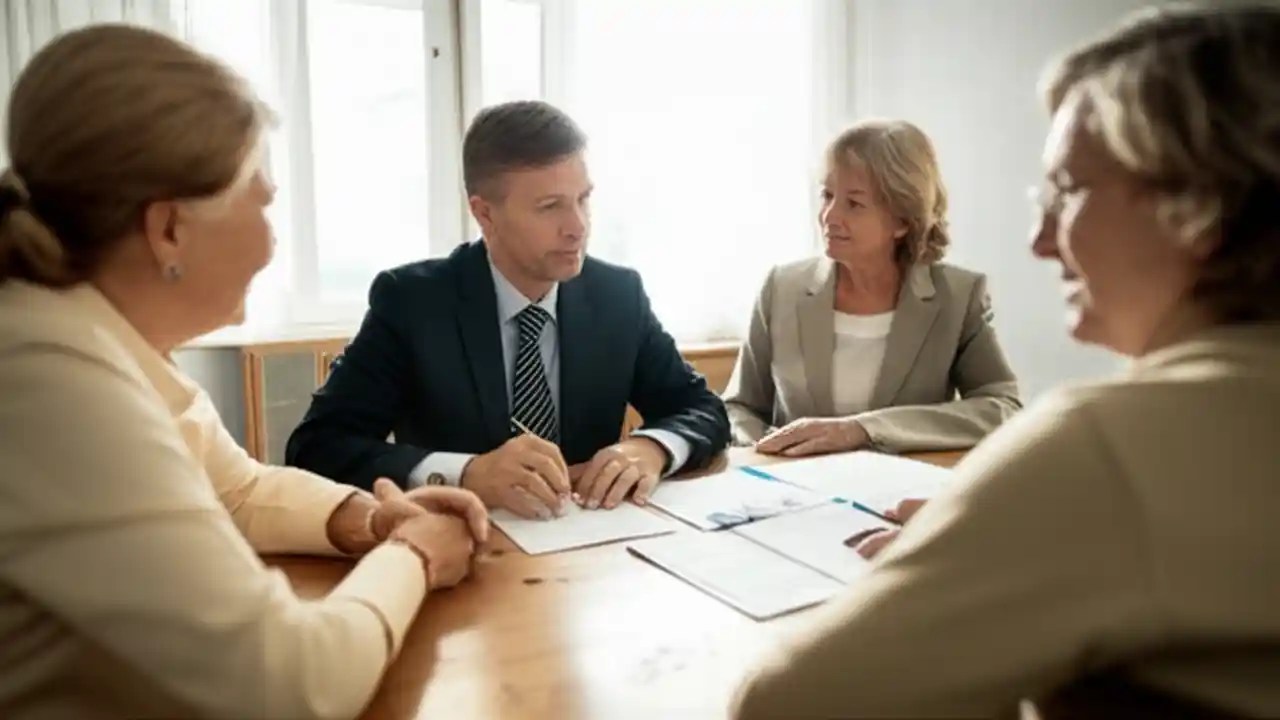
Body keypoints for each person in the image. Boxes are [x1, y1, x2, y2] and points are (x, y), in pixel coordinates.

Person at [733, 3, 1280, 717]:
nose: (1040, 239)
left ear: (1201, 205)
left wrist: (978, 549)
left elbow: (785, 703)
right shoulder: (783, 286)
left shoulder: (1105, 445)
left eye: (1068, 191)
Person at [0, 25, 488, 719]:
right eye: (261, 201)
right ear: (169, 228)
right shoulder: (48, 379)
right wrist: (414, 552)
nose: (273, 238)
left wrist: (371, 520)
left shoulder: (93, 337)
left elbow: (235, 489)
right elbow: (291, 685)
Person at [286, 100, 730, 518]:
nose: (577, 227)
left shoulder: (617, 294)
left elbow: (702, 408)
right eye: (550, 206)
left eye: (583, 199)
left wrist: (652, 448)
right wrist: (467, 473)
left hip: (592, 549)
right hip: (463, 546)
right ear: (485, 214)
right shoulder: (412, 302)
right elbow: (317, 447)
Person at [723, 119, 1020, 458]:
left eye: (854, 203)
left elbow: (1002, 408)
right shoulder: (781, 288)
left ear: (902, 220)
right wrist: (762, 450)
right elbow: (740, 407)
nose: (829, 216)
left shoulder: (959, 296)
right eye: (827, 195)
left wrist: (863, 430)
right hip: (792, 495)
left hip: (900, 497)